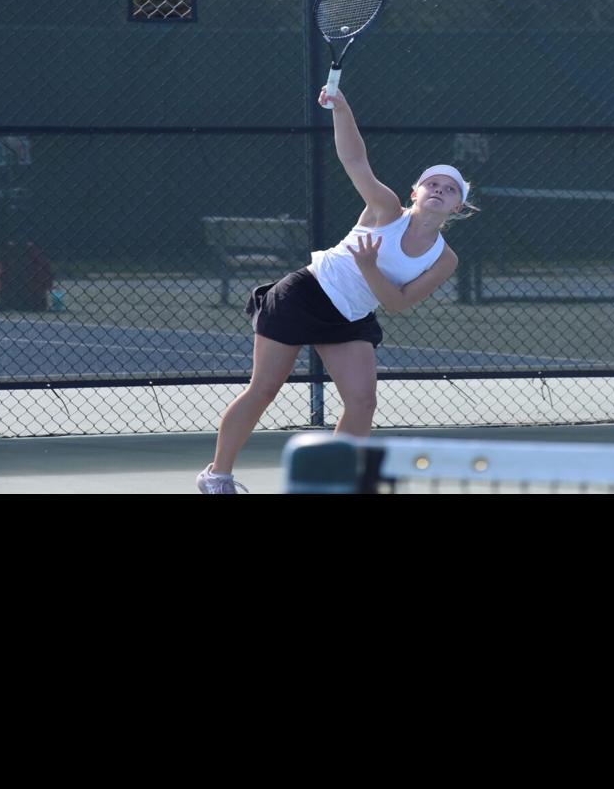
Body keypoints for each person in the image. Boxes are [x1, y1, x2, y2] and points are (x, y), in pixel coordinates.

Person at [196, 87, 477, 493]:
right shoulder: (385, 207)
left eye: (449, 189)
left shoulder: (445, 258)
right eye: (431, 184)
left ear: (457, 207)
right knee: (264, 389)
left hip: (351, 316)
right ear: (415, 192)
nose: (438, 190)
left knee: (362, 403)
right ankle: (216, 476)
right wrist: (341, 108)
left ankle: (332, 483)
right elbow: (354, 159)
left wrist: (367, 266)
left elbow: (396, 304)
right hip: (305, 293)